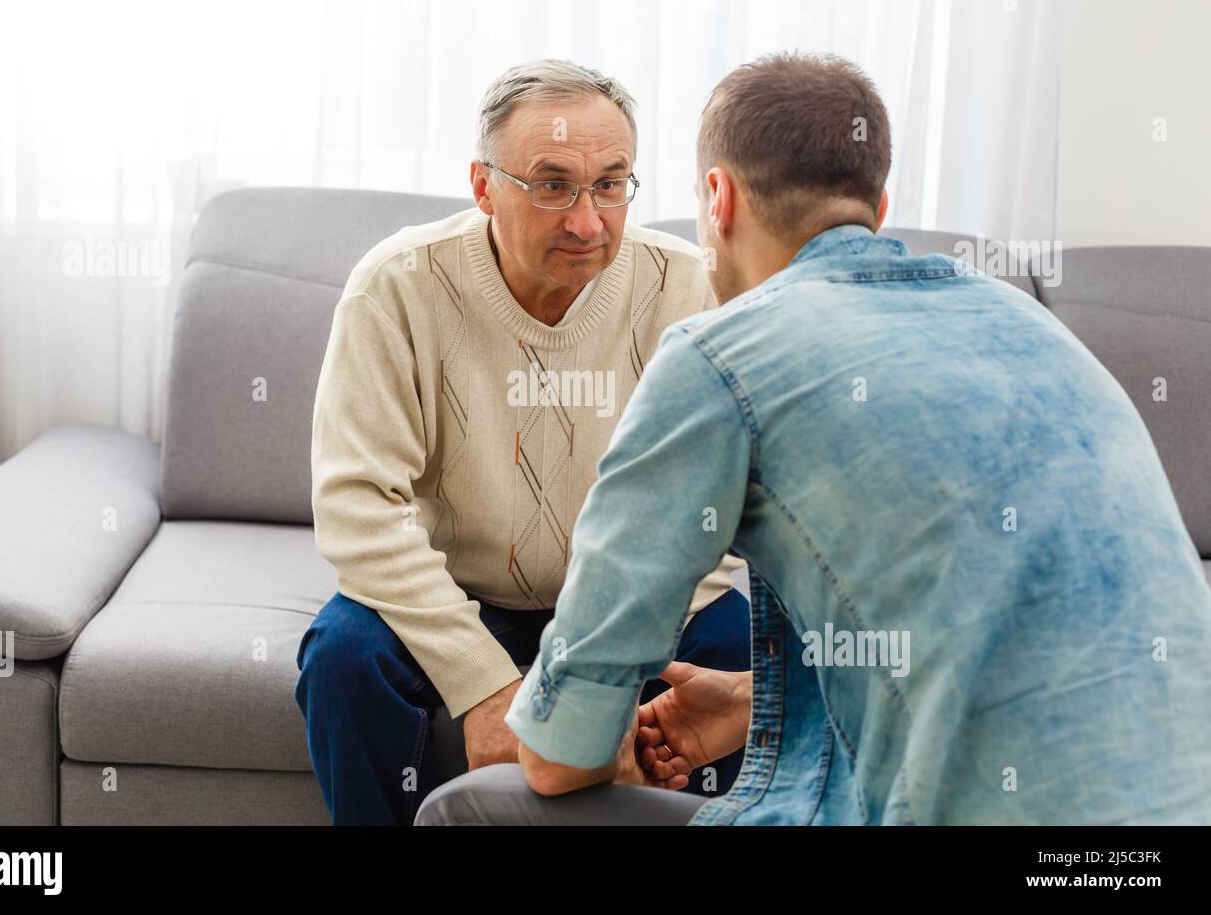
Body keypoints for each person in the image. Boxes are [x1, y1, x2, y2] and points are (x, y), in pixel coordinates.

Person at [415, 51, 1211, 826]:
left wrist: (590, 745)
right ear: (879, 208)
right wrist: (754, 701)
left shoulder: (720, 357)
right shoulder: (1030, 326)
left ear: (718, 199)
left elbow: (561, 757)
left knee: (465, 811)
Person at [294, 59, 749, 825]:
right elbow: (358, 509)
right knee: (342, 658)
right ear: (482, 187)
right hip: (458, 593)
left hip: (626, 600)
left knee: (744, 654)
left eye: (611, 183)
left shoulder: (688, 287)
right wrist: (485, 689)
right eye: (551, 185)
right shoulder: (396, 287)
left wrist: (612, 661)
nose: (587, 220)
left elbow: (716, 507)